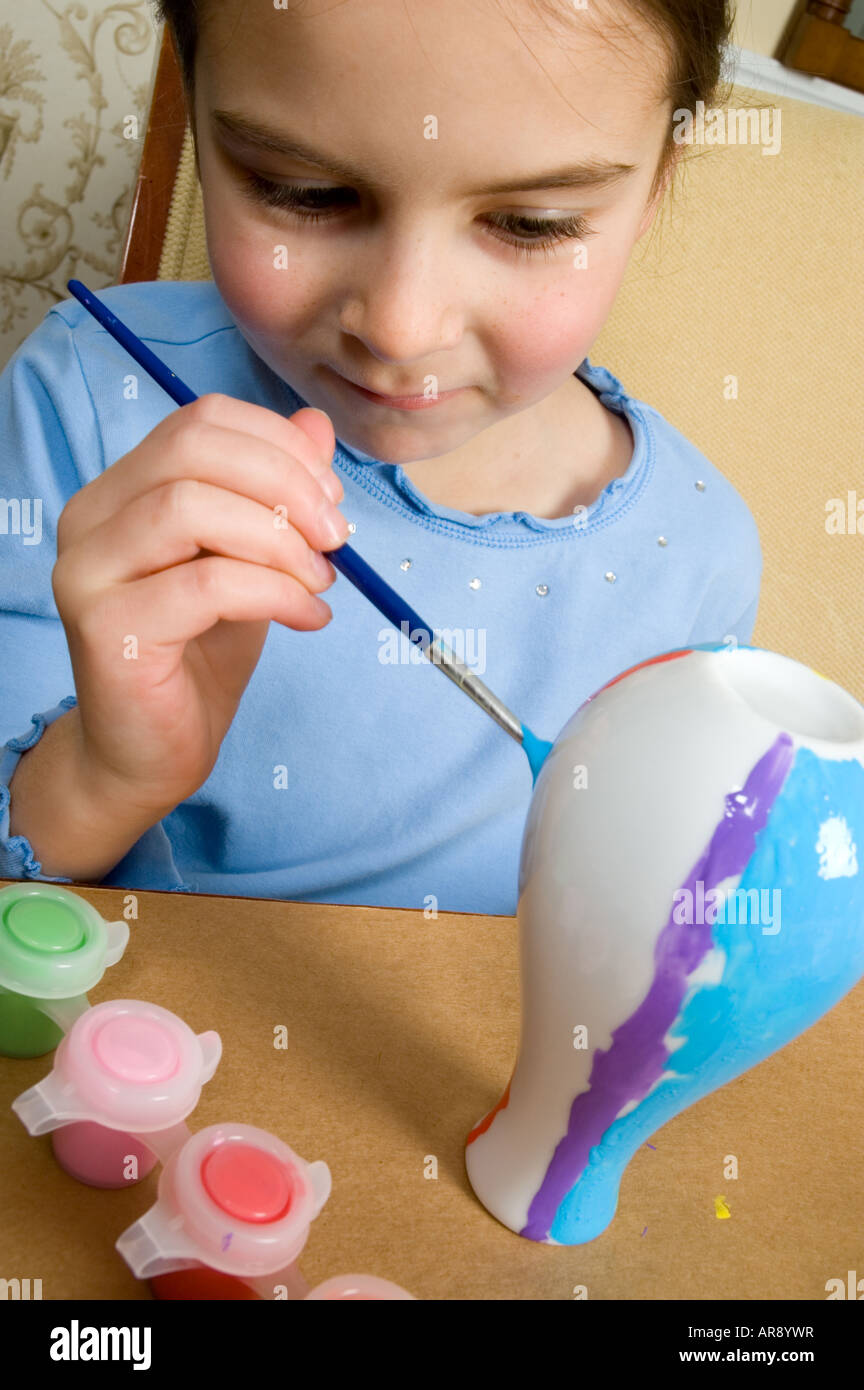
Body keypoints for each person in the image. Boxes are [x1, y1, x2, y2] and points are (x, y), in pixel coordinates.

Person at [0, 0, 760, 913]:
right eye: (302, 193)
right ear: (190, 117)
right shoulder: (90, 397)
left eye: (531, 223)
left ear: (657, 187)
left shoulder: (700, 555)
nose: (401, 330)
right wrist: (102, 776)